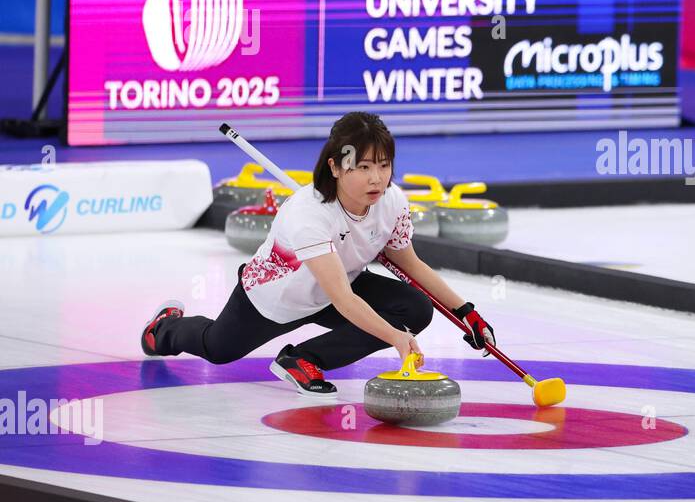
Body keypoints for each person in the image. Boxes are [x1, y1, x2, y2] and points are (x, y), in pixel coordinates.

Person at [139, 111, 495, 396]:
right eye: (363, 167)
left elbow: (410, 264)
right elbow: (342, 299)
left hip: (339, 286)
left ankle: (303, 360)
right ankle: (166, 329)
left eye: (383, 166)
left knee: (414, 307)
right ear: (336, 167)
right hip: (275, 298)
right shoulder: (308, 214)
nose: (376, 179)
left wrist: (467, 313)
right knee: (217, 348)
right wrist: (395, 338)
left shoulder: (392, 202)